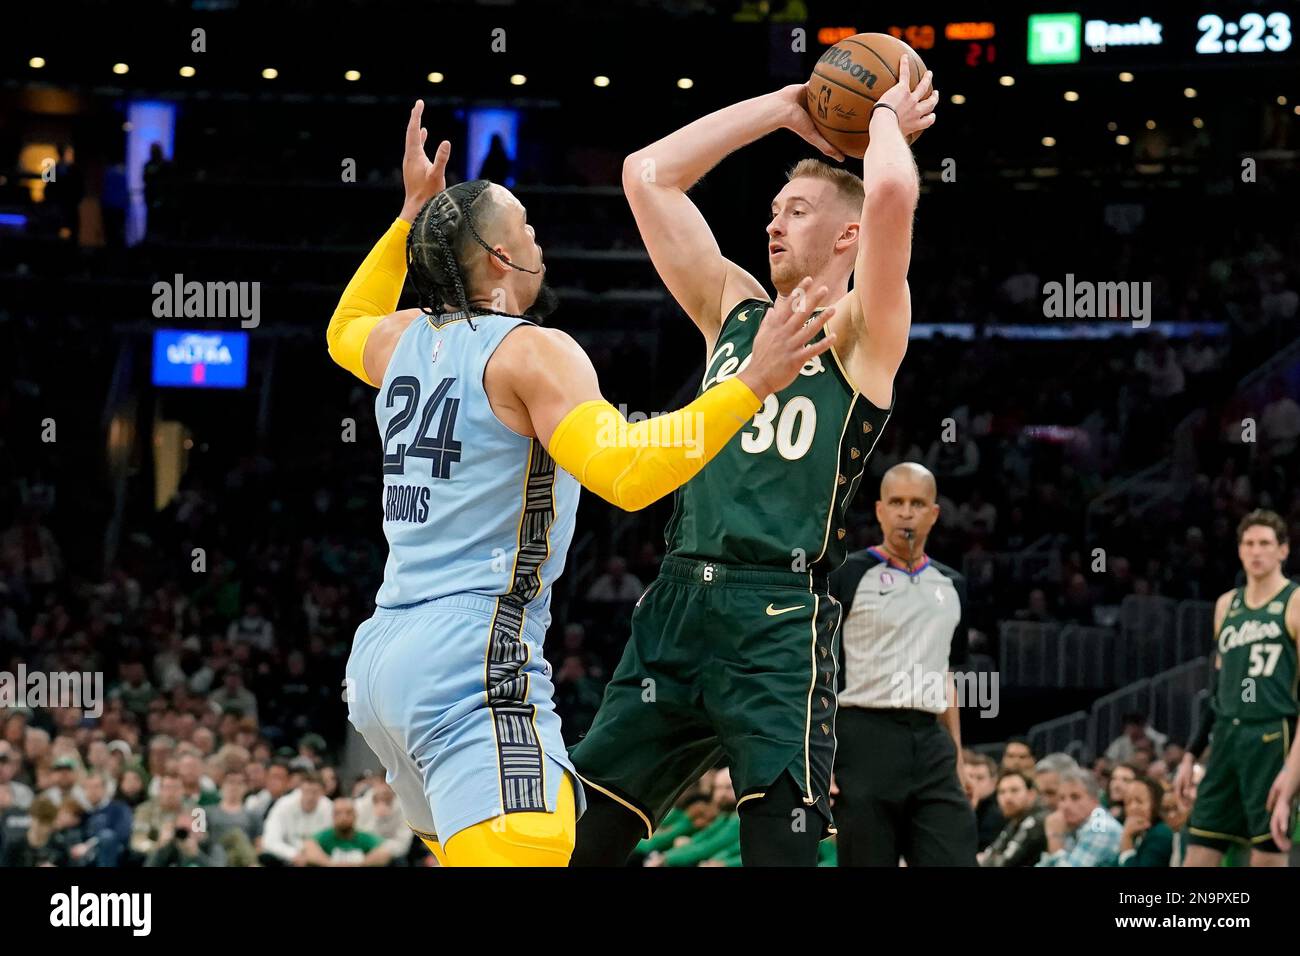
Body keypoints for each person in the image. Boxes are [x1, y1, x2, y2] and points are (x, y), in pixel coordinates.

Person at [327, 103, 830, 868]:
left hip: (383, 659)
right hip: (473, 659)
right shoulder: (533, 353)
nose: (538, 235)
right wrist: (753, 381)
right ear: (500, 255)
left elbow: (344, 324)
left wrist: (408, 218)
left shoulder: (399, 339)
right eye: (524, 224)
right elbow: (628, 474)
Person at [571, 54, 938, 868]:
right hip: (675, 600)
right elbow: (648, 176)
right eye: (771, 209)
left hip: (777, 617)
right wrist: (780, 106)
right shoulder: (731, 310)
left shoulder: (863, 331)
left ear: (845, 236)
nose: (772, 224)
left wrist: (881, 119)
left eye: (797, 210)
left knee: (784, 848)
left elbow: (888, 194)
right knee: (582, 840)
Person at [829, 463, 977, 865]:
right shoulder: (846, 574)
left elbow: (946, 675)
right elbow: (816, 670)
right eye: (896, 502)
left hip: (931, 745)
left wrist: (959, 760)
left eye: (917, 503)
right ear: (879, 511)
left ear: (934, 513)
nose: (906, 512)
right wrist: (818, 757)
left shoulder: (953, 585)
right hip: (862, 739)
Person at [1176, 510, 1298, 867]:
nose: (1256, 551)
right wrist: (1190, 753)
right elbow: (1219, 686)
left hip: (1272, 734)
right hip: (1227, 736)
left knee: (1267, 854)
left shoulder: (1294, 603)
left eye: (1265, 543)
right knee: (1198, 850)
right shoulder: (1226, 605)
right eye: (1248, 543)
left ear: (1283, 551)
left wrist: (1293, 772)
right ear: (1239, 550)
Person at [1036, 767, 1122, 867]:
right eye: (1062, 798)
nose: (1066, 805)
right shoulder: (1074, 824)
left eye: (1075, 797)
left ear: (1094, 799)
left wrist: (1054, 838)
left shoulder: (1101, 827)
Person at [979, 770, 1048, 867]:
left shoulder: (1035, 821)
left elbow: (1006, 863)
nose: (1007, 797)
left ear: (1031, 795)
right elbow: (991, 852)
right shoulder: (1014, 822)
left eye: (1014, 790)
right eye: (1002, 792)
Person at [301, 797, 391, 867]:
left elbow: (384, 853)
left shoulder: (364, 837)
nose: (343, 818)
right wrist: (330, 864)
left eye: (348, 813)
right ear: (332, 816)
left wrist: (359, 865)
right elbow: (308, 847)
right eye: (338, 813)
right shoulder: (326, 836)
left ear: (355, 815)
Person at [1118, 776, 1173, 866]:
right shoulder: (1136, 833)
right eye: (1128, 802)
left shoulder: (1161, 833)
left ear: (1155, 803)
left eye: (1139, 801)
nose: (1133, 807)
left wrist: (1126, 840)